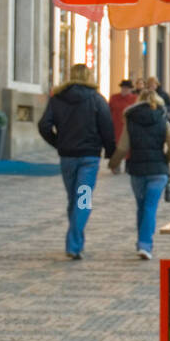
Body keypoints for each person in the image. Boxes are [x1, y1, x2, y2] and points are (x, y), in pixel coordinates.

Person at [37, 63, 115, 260]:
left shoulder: (58, 99)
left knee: (74, 198)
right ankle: (74, 244)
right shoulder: (97, 99)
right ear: (89, 76)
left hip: (68, 157)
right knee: (83, 200)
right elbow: (107, 128)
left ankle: (75, 242)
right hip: (89, 157)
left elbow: (44, 125)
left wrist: (58, 143)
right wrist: (110, 152)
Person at [109, 89, 170, 259]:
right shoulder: (163, 120)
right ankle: (145, 244)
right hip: (158, 171)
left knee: (142, 207)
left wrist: (113, 163)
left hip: (137, 170)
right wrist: (165, 159)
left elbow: (123, 147)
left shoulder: (131, 120)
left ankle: (143, 242)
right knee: (150, 207)